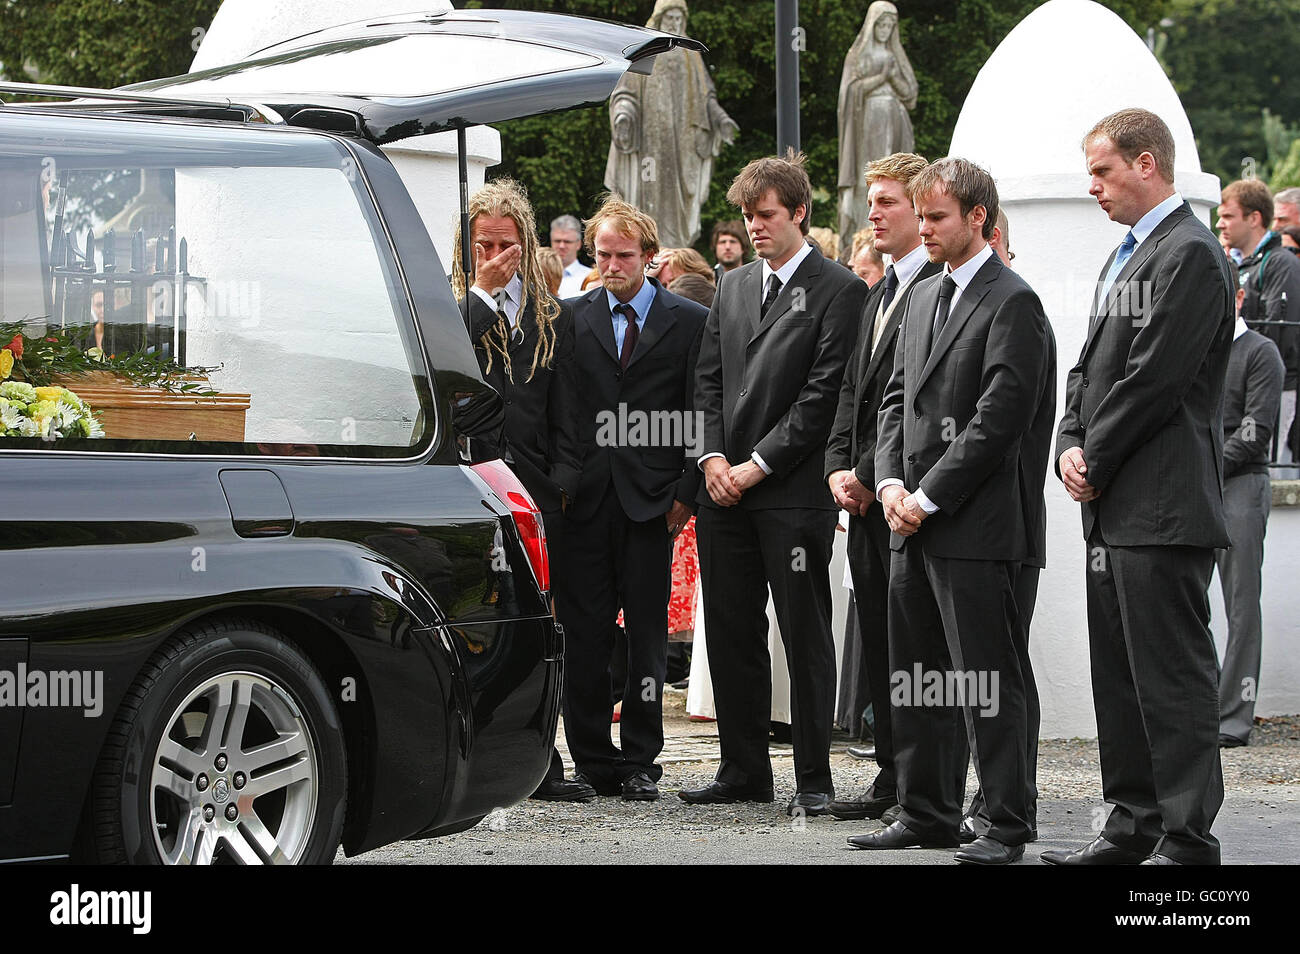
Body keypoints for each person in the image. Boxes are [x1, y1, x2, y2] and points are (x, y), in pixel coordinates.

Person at [850, 157, 1049, 865]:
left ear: (978, 220)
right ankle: (927, 811)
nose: (925, 229)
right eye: (922, 216)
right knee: (919, 675)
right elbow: (896, 401)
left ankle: (1005, 824)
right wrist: (893, 483)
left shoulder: (1013, 302)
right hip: (913, 522)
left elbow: (999, 419)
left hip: (979, 528)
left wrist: (926, 496)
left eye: (938, 217)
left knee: (988, 682)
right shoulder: (924, 296)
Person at [1049, 108, 1234, 866]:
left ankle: (1187, 839)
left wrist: (1094, 452)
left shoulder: (1188, 253)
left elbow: (1152, 379)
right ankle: (1130, 826)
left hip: (1162, 507)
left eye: (1102, 171)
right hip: (1118, 507)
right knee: (1121, 682)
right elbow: (1088, 371)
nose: (1092, 186)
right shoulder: (1128, 254)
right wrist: (1067, 438)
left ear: (1148, 164)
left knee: (1172, 682)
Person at [681, 152, 868, 815]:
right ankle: (743, 771)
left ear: (798, 213)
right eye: (746, 215)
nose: (753, 226)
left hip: (790, 493)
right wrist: (709, 462)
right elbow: (705, 381)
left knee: (804, 633)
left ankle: (814, 780)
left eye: (764, 215)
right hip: (722, 492)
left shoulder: (842, 290)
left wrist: (753, 465)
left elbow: (823, 399)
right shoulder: (731, 287)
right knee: (730, 632)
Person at [560, 195, 708, 801]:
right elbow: (562, 409)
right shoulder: (571, 318)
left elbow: (701, 408)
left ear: (650, 258)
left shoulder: (689, 321)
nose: (612, 265)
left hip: (654, 503)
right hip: (585, 505)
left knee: (648, 639)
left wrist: (687, 491)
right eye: (603, 255)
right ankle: (592, 758)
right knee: (586, 636)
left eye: (624, 255)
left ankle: (643, 758)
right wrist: (562, 487)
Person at [450, 178, 588, 802]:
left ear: (526, 244)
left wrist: (562, 482)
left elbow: (571, 411)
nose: (498, 257)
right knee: (479, 626)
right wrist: (481, 290)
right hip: (474, 488)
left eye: (507, 245)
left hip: (538, 494)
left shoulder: (550, 318)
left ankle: (545, 761)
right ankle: (481, 759)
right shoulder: (455, 313)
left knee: (544, 628)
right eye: (485, 246)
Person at [825, 152, 940, 824]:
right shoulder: (877, 294)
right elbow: (852, 394)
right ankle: (889, 775)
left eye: (888, 201)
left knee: (909, 644)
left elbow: (909, 406)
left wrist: (872, 477)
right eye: (870, 201)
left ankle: (916, 782)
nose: (874, 213)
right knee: (875, 635)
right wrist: (840, 466)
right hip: (861, 498)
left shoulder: (932, 289)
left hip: (901, 500)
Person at [1215, 259, 1284, 748]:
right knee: (1185, 601)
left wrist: (1197, 466)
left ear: (1239, 298)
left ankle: (1234, 718)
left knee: (1241, 605)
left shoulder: (1262, 353)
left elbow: (1255, 434)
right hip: (1197, 485)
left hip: (1240, 485)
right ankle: (1197, 710)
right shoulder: (1199, 351)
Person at [604, 0, 738, 249]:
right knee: (647, 197)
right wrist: (623, 116)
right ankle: (648, 246)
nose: (675, 24)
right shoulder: (645, 50)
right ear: (659, 19)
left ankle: (677, 250)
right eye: (670, 19)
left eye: (679, 19)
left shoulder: (691, 55)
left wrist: (721, 119)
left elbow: (706, 96)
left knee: (680, 206)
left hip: (682, 147)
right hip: (650, 144)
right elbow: (625, 93)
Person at [1220, 179, 1300, 476]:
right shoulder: (1233, 262)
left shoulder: (1281, 263)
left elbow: (1279, 334)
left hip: (1275, 387)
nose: (1220, 224)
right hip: (1234, 385)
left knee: (1272, 467)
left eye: (1228, 216)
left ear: (1254, 218)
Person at [836, 0, 917, 257]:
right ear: (872, 25)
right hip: (869, 119)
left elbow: (910, 94)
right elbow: (851, 92)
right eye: (881, 24)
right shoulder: (858, 54)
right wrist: (882, 77)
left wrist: (892, 76)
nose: (885, 29)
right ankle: (863, 230)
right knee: (869, 174)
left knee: (899, 176)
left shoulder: (896, 56)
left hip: (895, 118)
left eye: (890, 25)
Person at [551, 214, 590, 299]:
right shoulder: (539, 276)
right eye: (557, 241)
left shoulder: (590, 278)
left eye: (567, 242)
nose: (561, 246)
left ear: (578, 244)